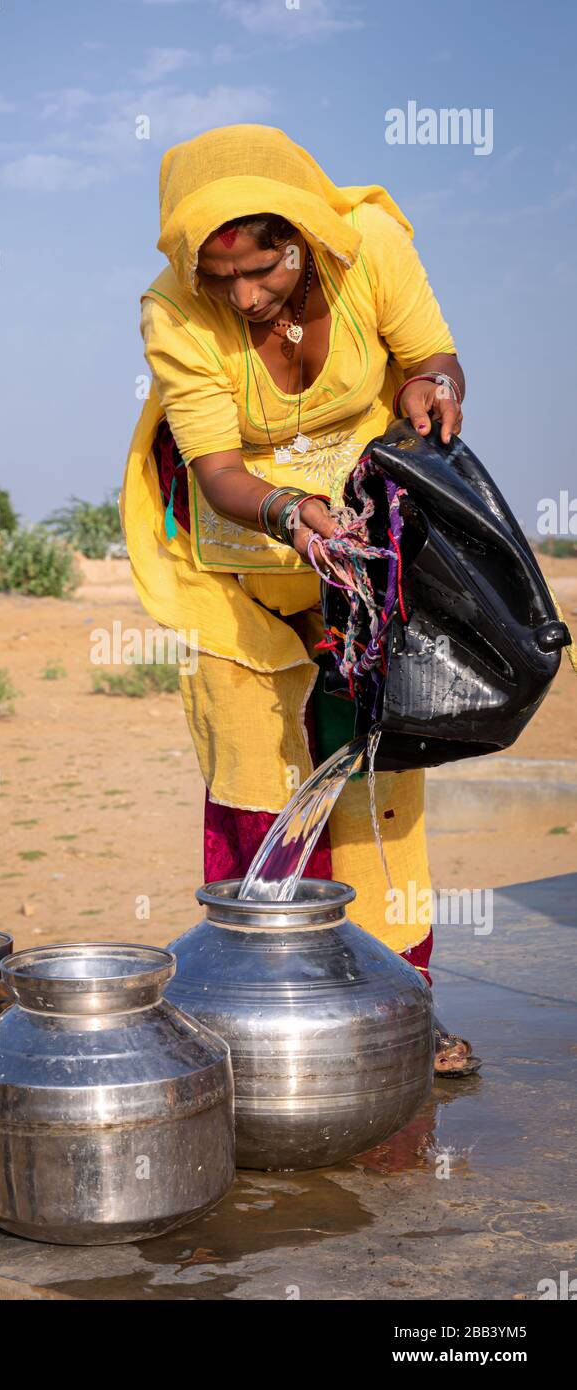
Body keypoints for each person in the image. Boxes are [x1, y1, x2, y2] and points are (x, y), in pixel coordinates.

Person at [120, 124, 479, 1076]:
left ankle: (401, 1012)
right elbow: (220, 468)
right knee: (255, 773)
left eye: (263, 272)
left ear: (302, 238)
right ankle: (257, 1021)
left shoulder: (370, 249)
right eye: (218, 276)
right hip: (239, 556)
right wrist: (291, 512)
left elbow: (431, 358)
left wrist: (432, 388)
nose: (243, 297)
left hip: (362, 559)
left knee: (380, 787)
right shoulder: (174, 315)